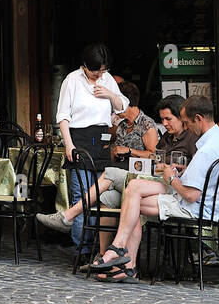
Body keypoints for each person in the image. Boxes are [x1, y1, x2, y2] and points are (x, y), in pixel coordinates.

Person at [88, 95, 219, 283]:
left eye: (186, 122)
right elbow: (207, 177)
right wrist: (185, 171)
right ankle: (124, 260)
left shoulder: (206, 150)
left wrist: (171, 178)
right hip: (209, 203)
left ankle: (123, 258)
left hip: (195, 207)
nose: (186, 127)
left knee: (132, 197)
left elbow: (191, 195)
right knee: (133, 192)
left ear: (199, 119)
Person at [34, 81, 158, 252]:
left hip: (136, 177)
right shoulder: (121, 125)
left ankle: (69, 219)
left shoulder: (146, 124)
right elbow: (110, 141)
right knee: (101, 199)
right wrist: (112, 148)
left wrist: (129, 151)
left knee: (101, 181)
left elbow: (154, 154)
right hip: (120, 175)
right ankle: (98, 252)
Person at [54, 43, 126, 255]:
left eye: (102, 70)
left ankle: (98, 247)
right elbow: (63, 116)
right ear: (84, 66)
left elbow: (122, 106)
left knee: (100, 196)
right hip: (79, 140)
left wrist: (109, 94)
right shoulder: (72, 80)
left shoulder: (107, 79)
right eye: (94, 71)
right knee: (81, 196)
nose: (97, 75)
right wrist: (69, 144)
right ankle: (82, 248)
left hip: (102, 140)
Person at [156, 93, 200, 162]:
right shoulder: (166, 136)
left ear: (181, 117)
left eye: (168, 119)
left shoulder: (192, 138)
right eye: (162, 119)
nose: (164, 124)